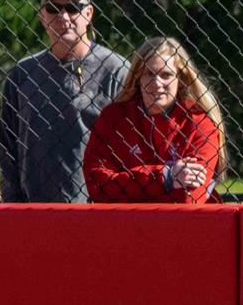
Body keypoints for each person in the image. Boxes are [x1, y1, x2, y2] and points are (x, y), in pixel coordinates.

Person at [0, 0, 128, 202]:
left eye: (73, 7)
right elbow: (7, 149)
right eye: (53, 8)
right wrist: (14, 205)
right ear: (42, 16)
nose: (63, 16)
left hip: (98, 211)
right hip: (34, 212)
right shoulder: (23, 74)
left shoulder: (116, 71)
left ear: (88, 14)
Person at [83, 37, 224, 204]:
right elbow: (97, 185)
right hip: (126, 226)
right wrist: (166, 177)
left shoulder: (200, 123)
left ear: (181, 78)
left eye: (166, 75)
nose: (156, 83)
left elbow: (189, 197)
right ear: (138, 77)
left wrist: (126, 186)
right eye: (149, 73)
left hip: (187, 226)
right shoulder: (113, 118)